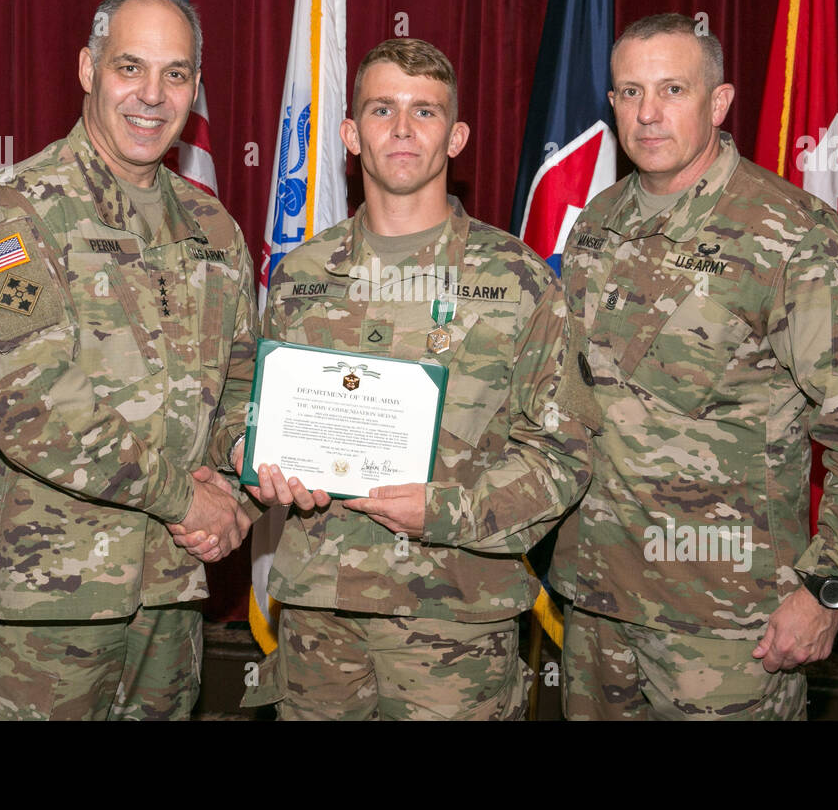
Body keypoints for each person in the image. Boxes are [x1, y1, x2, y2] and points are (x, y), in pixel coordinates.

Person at [551, 13, 838, 720]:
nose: (648, 112)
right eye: (630, 92)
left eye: (673, 89)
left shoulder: (790, 235)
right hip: (596, 601)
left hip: (726, 625)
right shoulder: (598, 221)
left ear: (719, 102)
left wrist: (826, 589)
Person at [238, 38, 597, 720]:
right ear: (351, 135)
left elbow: (564, 455)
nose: (402, 128)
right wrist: (258, 467)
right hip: (318, 615)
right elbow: (256, 416)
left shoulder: (518, 280)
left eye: (425, 111)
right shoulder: (300, 276)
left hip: (454, 621)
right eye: (382, 109)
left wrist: (444, 511)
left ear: (456, 137)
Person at [0, 0, 258, 720]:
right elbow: (31, 405)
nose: (152, 95)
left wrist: (241, 487)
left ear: (195, 88)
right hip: (43, 609)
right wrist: (189, 499)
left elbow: (239, 388)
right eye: (129, 67)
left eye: (176, 74)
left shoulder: (212, 226)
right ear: (88, 69)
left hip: (170, 599)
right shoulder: (9, 212)